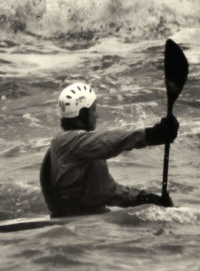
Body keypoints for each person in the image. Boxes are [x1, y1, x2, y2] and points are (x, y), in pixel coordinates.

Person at [40, 82, 179, 217]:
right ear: (82, 113)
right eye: (93, 109)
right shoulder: (67, 141)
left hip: (90, 218)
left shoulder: (82, 148)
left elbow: (106, 192)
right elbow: (109, 142)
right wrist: (151, 135)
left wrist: (145, 198)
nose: (97, 115)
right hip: (77, 221)